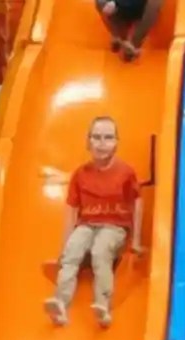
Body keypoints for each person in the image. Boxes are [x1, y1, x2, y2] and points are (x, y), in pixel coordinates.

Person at [45, 116, 144, 328]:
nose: (102, 143)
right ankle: (61, 303)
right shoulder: (80, 174)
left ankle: (103, 305)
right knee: (71, 253)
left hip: (115, 226)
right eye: (96, 137)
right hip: (87, 224)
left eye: (108, 138)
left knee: (101, 252)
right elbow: (71, 209)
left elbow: (137, 203)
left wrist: (135, 239)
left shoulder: (126, 172)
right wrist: (65, 242)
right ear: (88, 142)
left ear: (116, 142)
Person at [95, 0, 163, 63]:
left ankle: (133, 43)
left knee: (155, 2)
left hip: (141, 7)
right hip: (119, 9)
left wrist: (118, 4)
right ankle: (119, 36)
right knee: (101, 2)